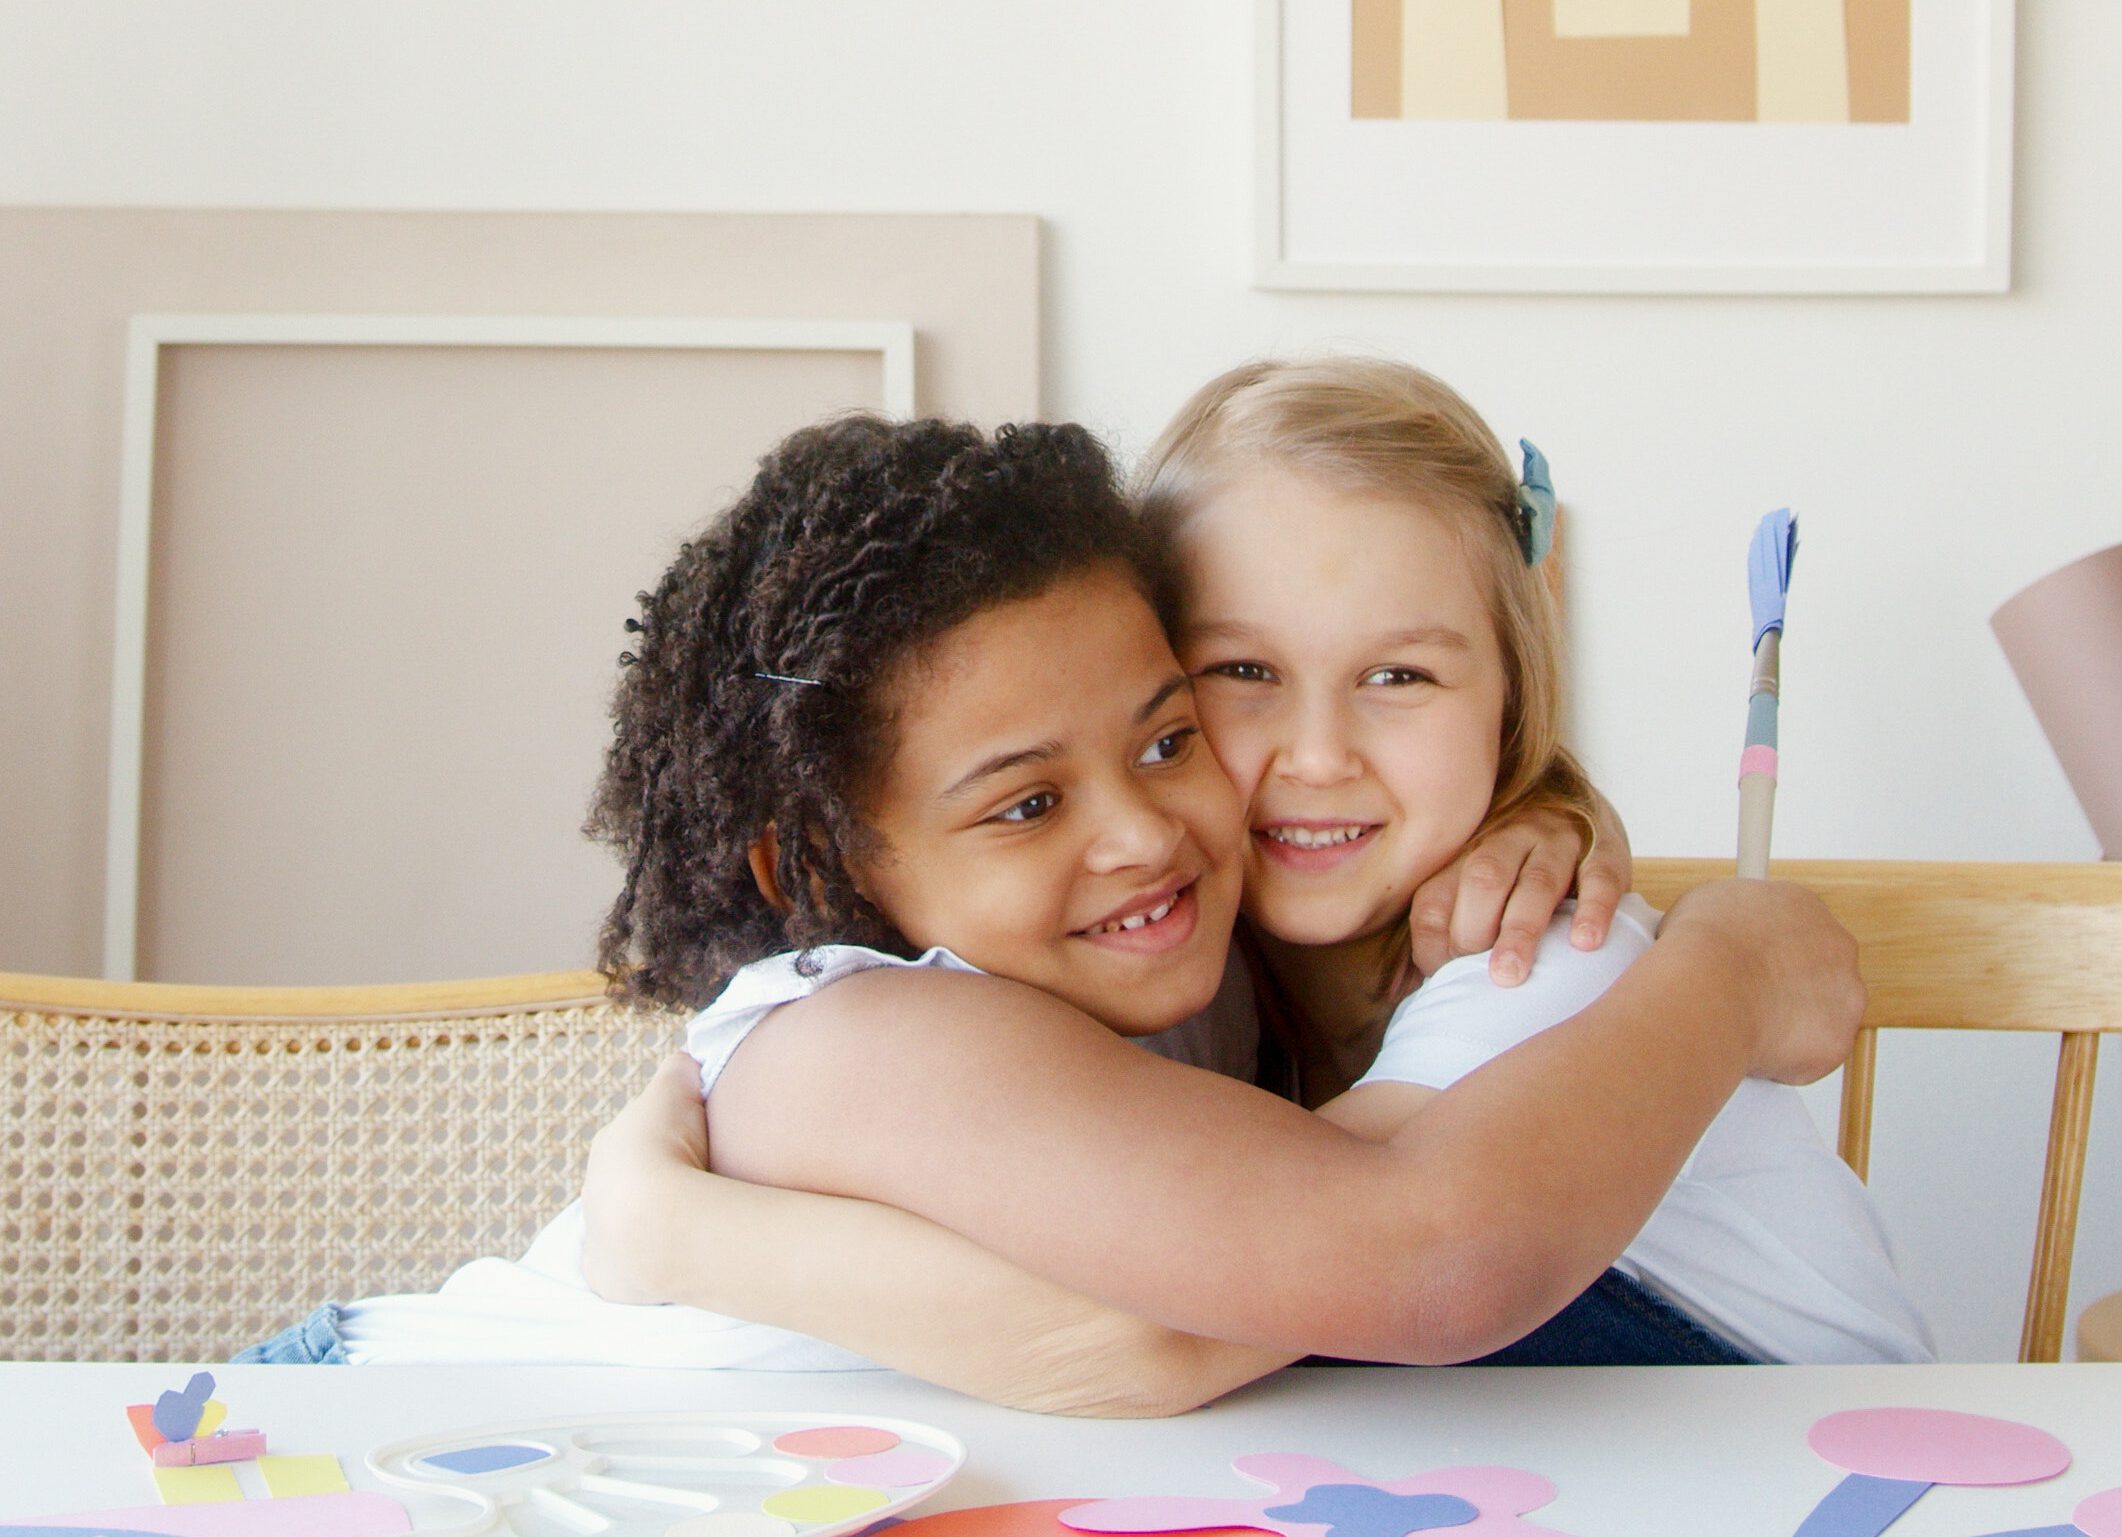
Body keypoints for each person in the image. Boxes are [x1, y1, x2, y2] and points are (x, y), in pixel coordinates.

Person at [238, 410, 1865, 1403]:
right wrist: (1722, 972)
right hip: (363, 1455)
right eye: (1026, 800)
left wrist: (1559, 821)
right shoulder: (866, 1038)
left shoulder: (1193, 985)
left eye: (1166, 733)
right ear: (815, 867)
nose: (1146, 829)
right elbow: (1380, 1267)